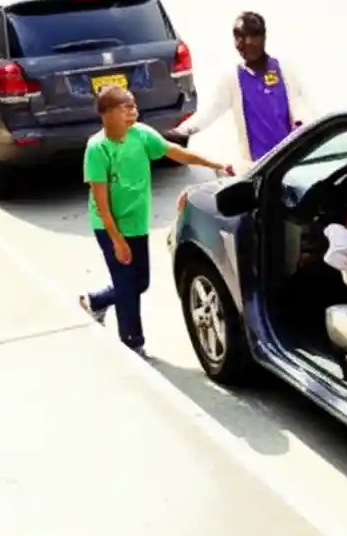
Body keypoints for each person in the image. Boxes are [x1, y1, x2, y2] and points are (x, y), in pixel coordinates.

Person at [79, 85, 235, 355]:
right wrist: (117, 241)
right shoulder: (97, 148)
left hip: (137, 224)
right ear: (107, 114)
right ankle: (132, 342)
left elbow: (175, 152)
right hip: (110, 226)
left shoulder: (141, 135)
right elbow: (101, 204)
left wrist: (214, 164)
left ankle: (97, 301)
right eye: (125, 107)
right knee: (127, 286)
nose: (133, 111)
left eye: (134, 105)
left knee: (140, 283)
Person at [170, 11, 312, 165]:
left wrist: (303, 127)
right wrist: (182, 131)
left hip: (289, 161)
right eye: (240, 37)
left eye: (252, 36)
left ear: (263, 37)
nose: (246, 43)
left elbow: (303, 106)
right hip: (257, 166)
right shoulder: (233, 78)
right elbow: (211, 111)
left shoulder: (284, 70)